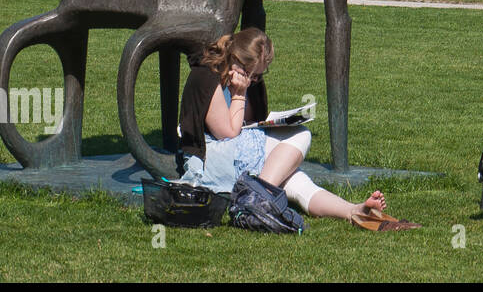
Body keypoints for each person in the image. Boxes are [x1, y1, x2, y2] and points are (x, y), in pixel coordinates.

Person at [178, 28, 418, 230]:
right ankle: (256, 198)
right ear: (236, 61)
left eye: (258, 77)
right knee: (300, 135)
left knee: (295, 181)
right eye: (250, 75)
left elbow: (250, 124)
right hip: (211, 158)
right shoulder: (206, 77)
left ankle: (355, 211)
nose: (253, 81)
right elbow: (226, 133)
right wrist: (239, 94)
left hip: (238, 155)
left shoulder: (251, 82)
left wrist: (257, 103)